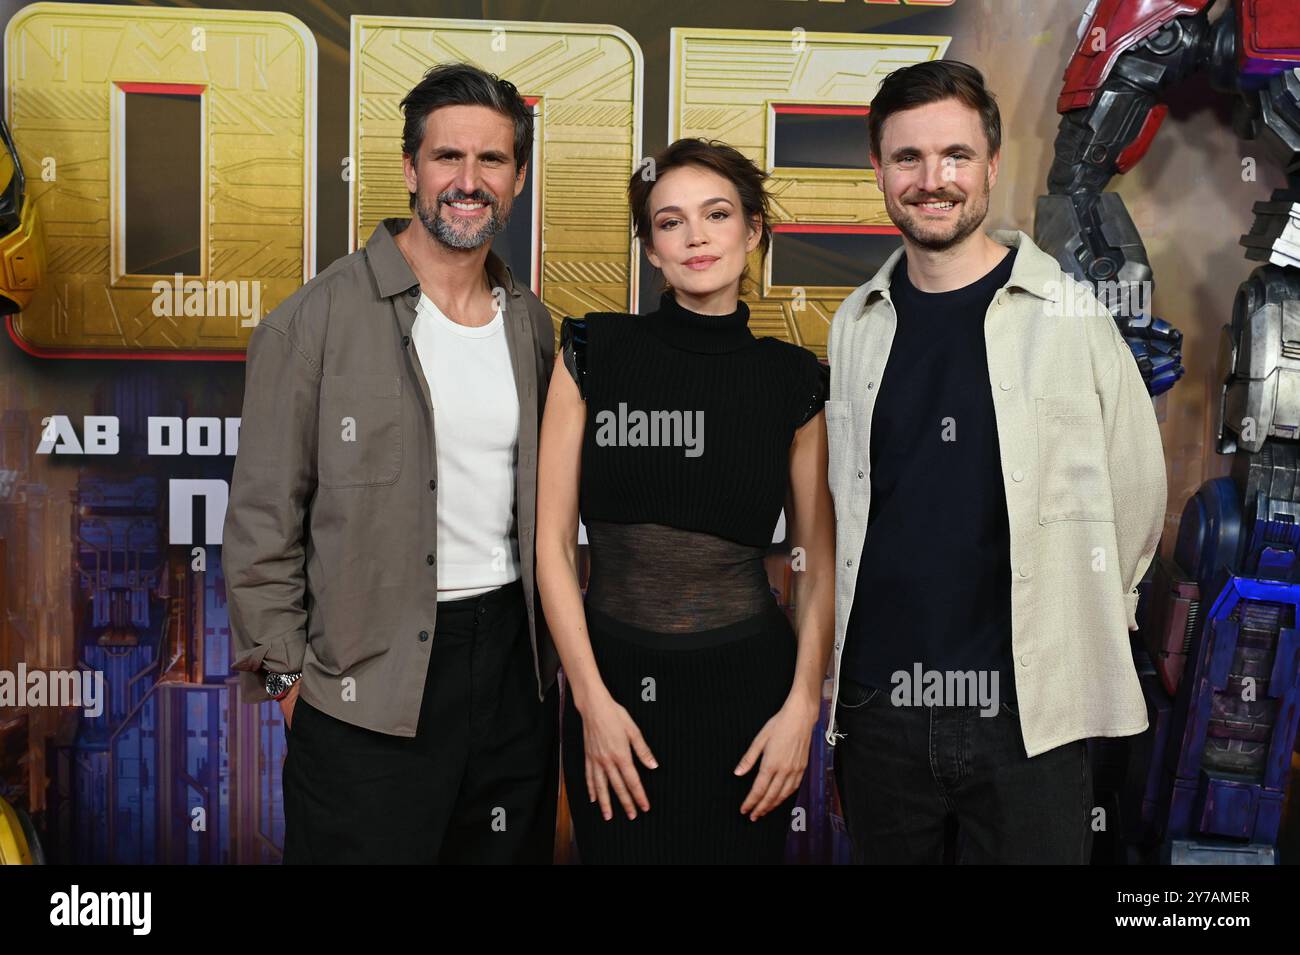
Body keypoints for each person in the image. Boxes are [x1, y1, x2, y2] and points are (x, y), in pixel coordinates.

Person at [824, 59, 1168, 864]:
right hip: (882, 711)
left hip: (1030, 713)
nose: (931, 179)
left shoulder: (1073, 314)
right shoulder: (855, 322)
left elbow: (1137, 487)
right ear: (878, 169)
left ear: (992, 164)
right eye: (907, 158)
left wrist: (1089, 619)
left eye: (955, 156)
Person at [223, 62, 560, 864]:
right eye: (448, 158)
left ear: (516, 178)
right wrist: (289, 687)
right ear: (411, 169)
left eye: (493, 161)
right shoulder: (310, 324)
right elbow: (262, 522)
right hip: (362, 696)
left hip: (513, 681)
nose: (469, 182)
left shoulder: (537, 330)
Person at [536, 138, 836, 864]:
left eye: (717, 213)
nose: (696, 235)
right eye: (670, 222)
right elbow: (549, 544)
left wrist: (802, 707)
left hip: (750, 699)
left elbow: (819, 566)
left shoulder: (793, 378)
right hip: (611, 695)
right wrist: (591, 698)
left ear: (753, 229)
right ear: (650, 249)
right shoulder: (592, 349)